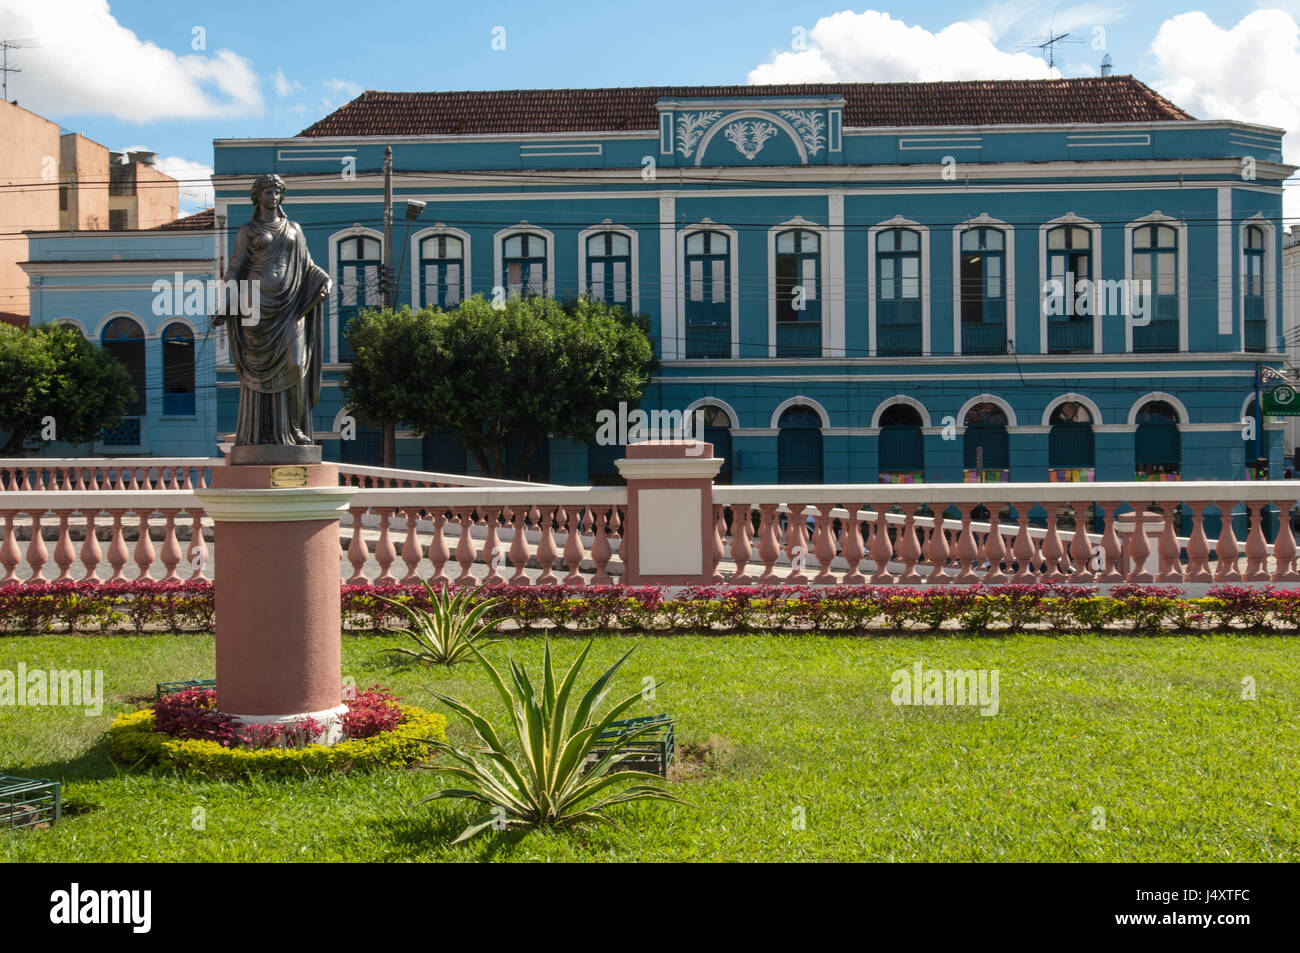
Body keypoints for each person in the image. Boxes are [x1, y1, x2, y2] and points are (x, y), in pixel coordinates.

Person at [214, 173, 331, 448]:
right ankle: (260, 431)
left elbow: (307, 264)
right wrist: (225, 302)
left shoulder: (294, 229)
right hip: (256, 308)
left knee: (295, 363)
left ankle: (294, 428)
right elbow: (235, 268)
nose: (273, 196)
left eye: (277, 192)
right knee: (259, 372)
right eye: (268, 192)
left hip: (290, 306)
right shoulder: (248, 231)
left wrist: (324, 279)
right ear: (258, 197)